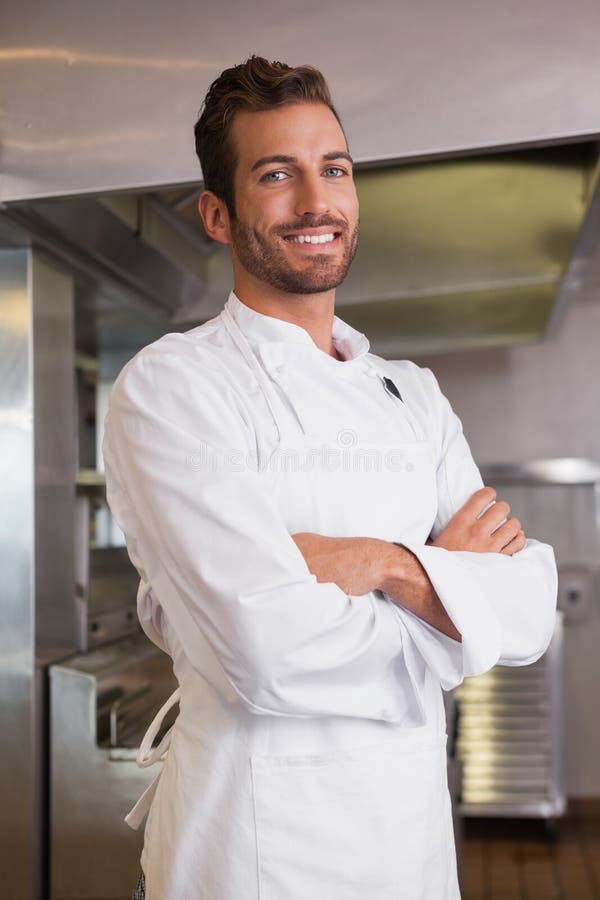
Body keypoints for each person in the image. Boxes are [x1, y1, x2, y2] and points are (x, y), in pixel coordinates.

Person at [103, 56, 558, 900]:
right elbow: (267, 654)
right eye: (277, 174)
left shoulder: (411, 394)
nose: (316, 201)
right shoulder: (173, 387)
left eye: (334, 169)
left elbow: (527, 610)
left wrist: (379, 565)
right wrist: (450, 604)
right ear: (216, 212)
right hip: (252, 856)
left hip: (411, 850)